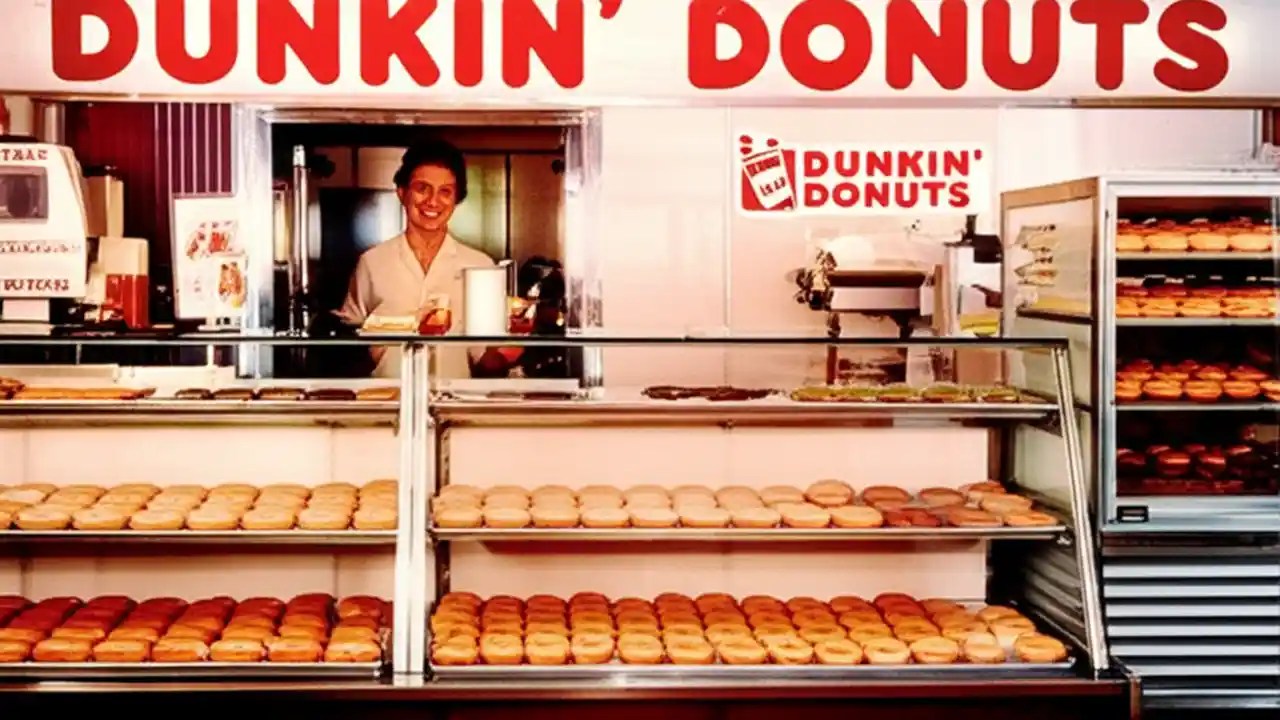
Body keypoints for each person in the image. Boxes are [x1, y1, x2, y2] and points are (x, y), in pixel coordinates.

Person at [339, 140, 513, 378]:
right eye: (422, 188)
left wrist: (511, 350)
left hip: (454, 407)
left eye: (445, 192)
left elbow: (486, 360)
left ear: (456, 200)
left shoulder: (480, 266)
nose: (432, 201)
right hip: (386, 402)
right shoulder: (372, 262)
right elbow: (348, 347)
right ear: (402, 193)